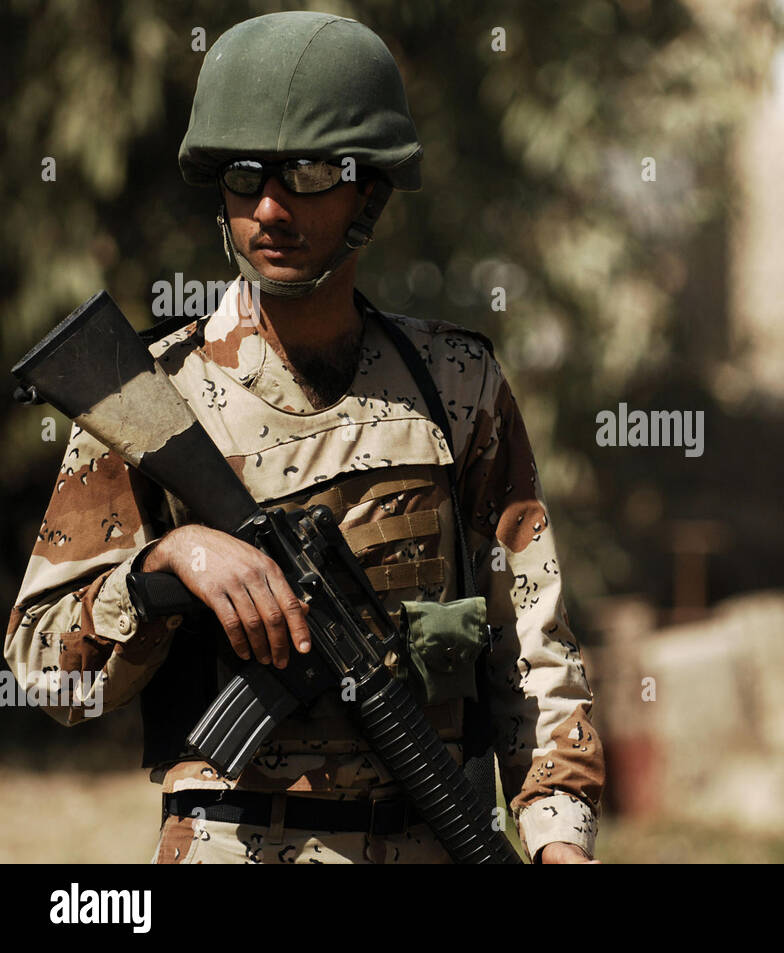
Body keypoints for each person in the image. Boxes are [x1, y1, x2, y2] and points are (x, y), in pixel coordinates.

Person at [5, 11, 601, 865]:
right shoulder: (146, 399)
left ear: (370, 192)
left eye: (311, 174)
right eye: (244, 176)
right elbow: (45, 673)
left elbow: (533, 646)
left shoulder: (457, 386)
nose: (270, 208)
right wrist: (167, 565)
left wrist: (558, 837)